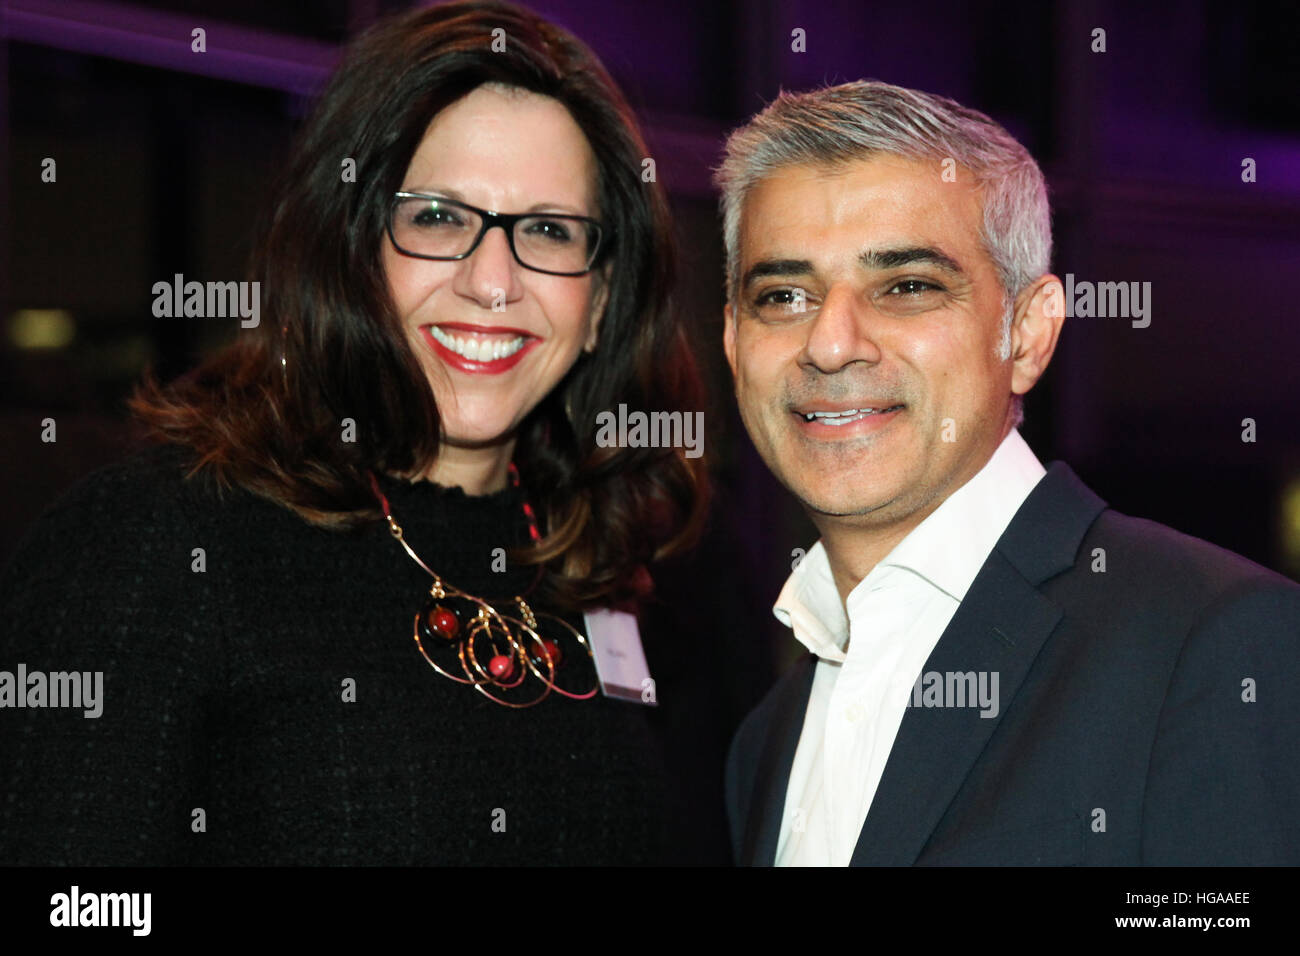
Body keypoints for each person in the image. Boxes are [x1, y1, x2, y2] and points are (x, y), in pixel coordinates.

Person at [0, 0, 711, 865]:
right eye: (438, 218)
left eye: (549, 231)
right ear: (351, 247)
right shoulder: (159, 543)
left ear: (599, 302)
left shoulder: (616, 566)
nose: (494, 282)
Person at [716, 80, 1300, 866]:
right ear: (731, 339)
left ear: (1026, 334)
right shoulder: (766, 739)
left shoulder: (1217, 643)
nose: (830, 342)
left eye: (908, 287)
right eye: (783, 294)